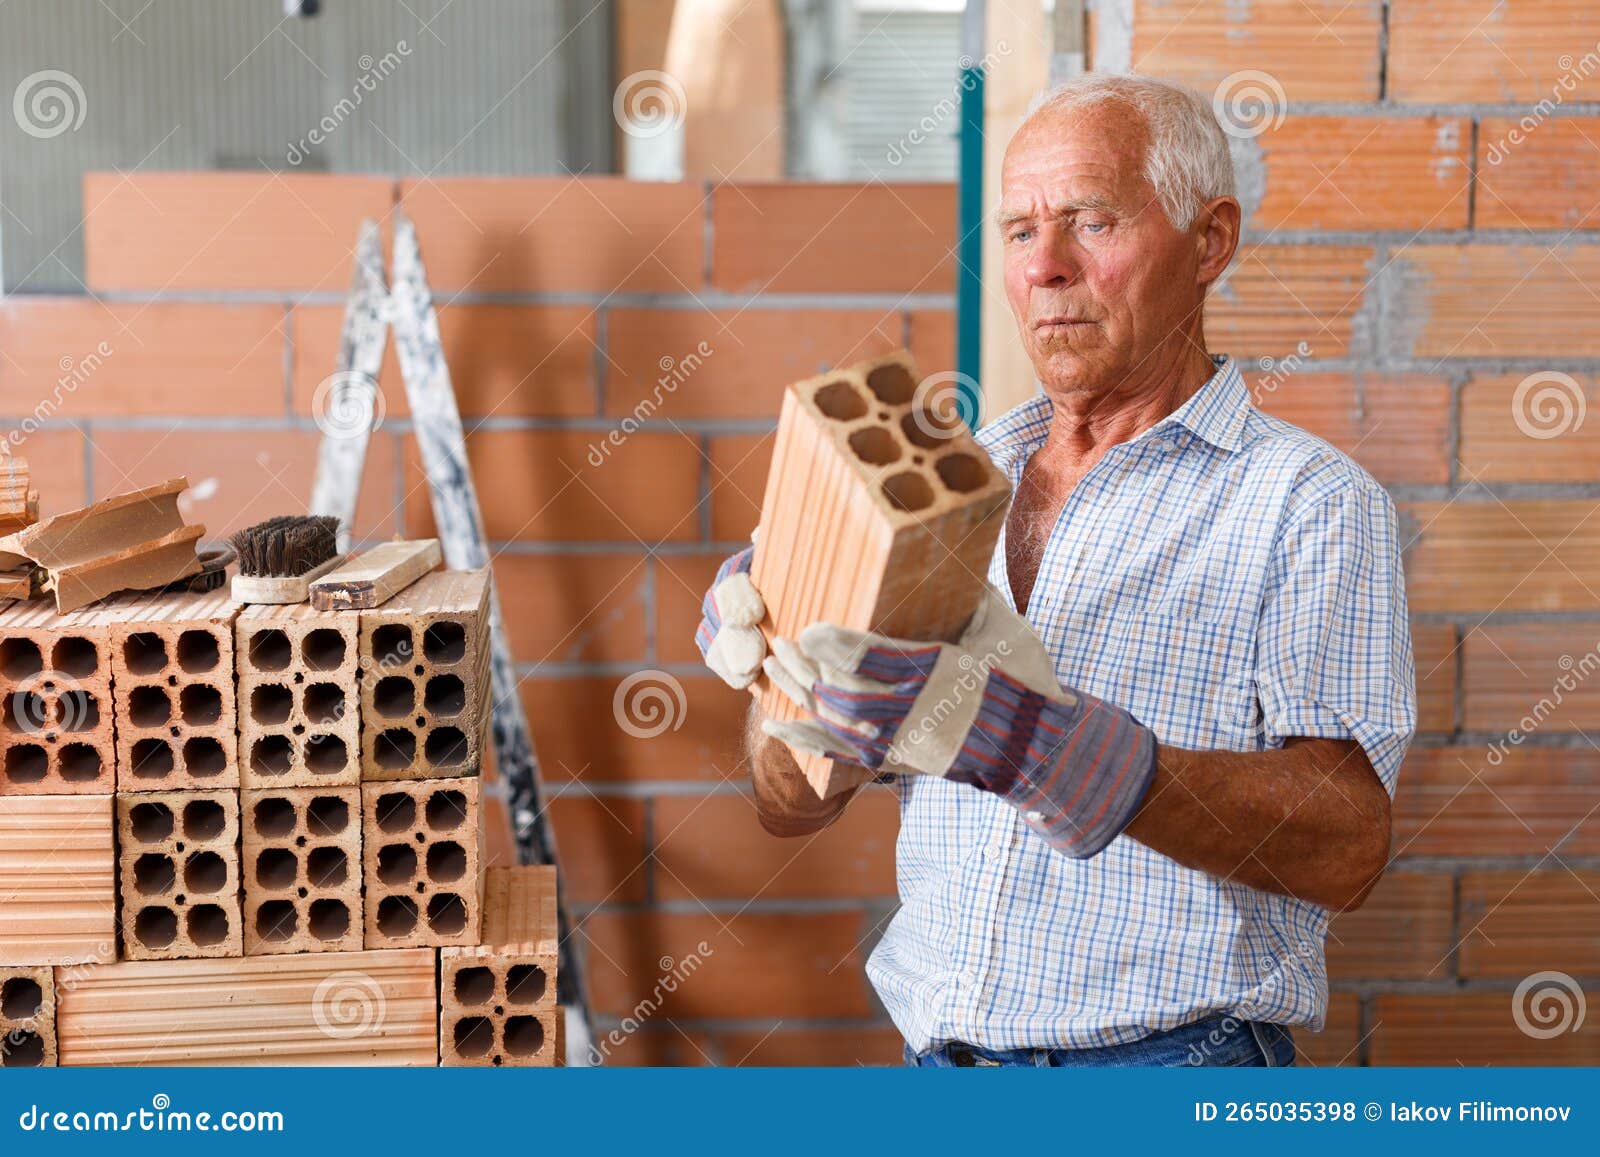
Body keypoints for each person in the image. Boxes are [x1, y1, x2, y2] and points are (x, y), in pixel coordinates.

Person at [697, 73, 1415, 1068]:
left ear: (1208, 241)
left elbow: (1346, 847)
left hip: (1168, 1074)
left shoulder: (1306, 503)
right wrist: (783, 664)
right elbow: (790, 804)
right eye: (1019, 230)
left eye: (1091, 221)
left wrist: (1041, 747)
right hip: (938, 1068)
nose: (1047, 267)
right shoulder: (955, 488)